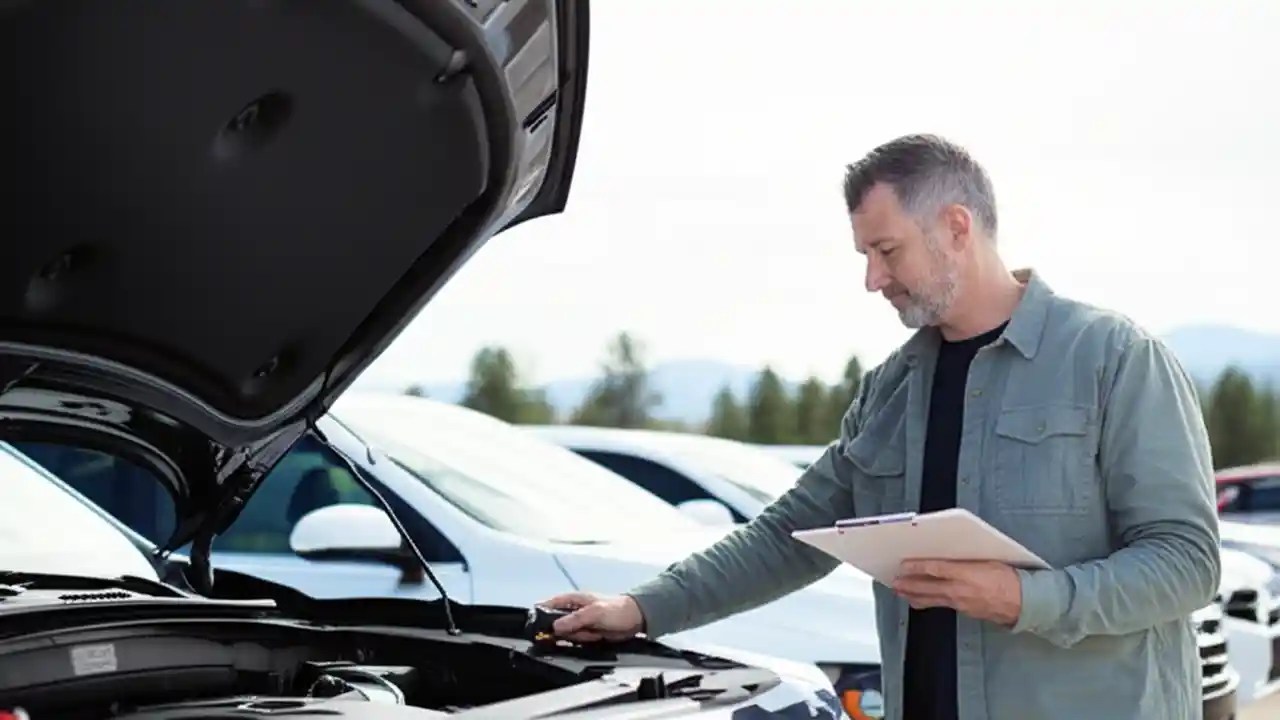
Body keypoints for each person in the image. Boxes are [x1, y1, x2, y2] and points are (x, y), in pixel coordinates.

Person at [540, 134, 1220, 720]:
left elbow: (1187, 562)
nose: (872, 279)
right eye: (865, 254)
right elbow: (786, 536)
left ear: (957, 226)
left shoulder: (1113, 359)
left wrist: (1024, 598)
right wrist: (639, 608)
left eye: (888, 251)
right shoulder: (891, 389)